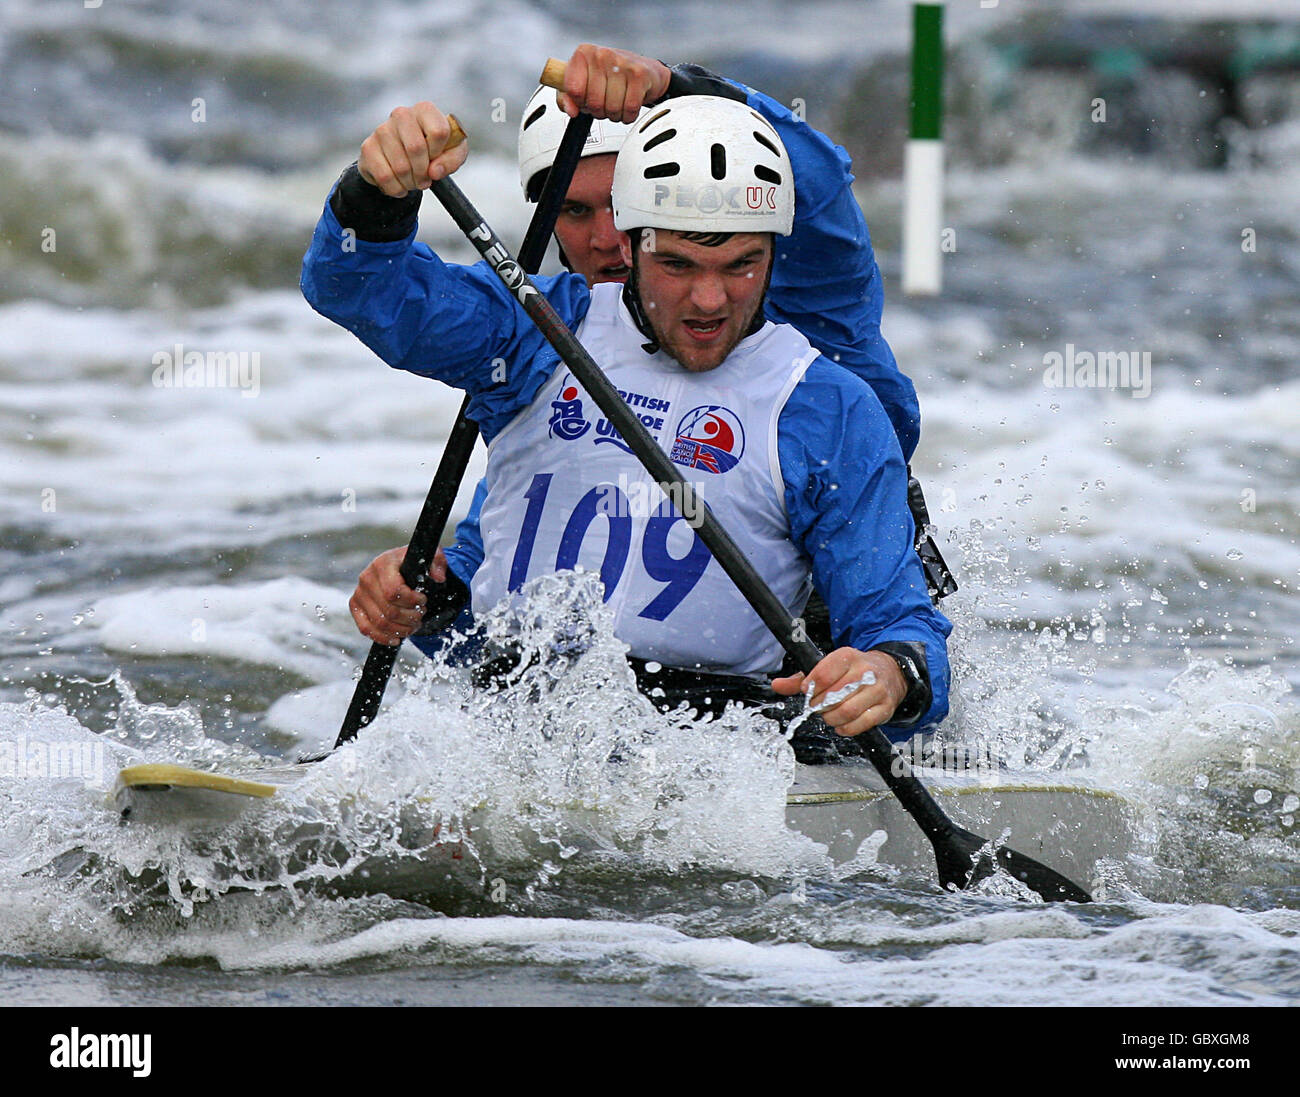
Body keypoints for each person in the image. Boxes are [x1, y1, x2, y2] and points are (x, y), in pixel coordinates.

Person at [302, 86, 952, 743]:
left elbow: (898, 623)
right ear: (636, 242)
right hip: (517, 719)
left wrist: (889, 674)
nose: (707, 299)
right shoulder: (533, 328)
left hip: (717, 738)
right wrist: (377, 191)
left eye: (740, 265)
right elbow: (356, 286)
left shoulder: (829, 405)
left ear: (774, 253)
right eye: (675, 263)